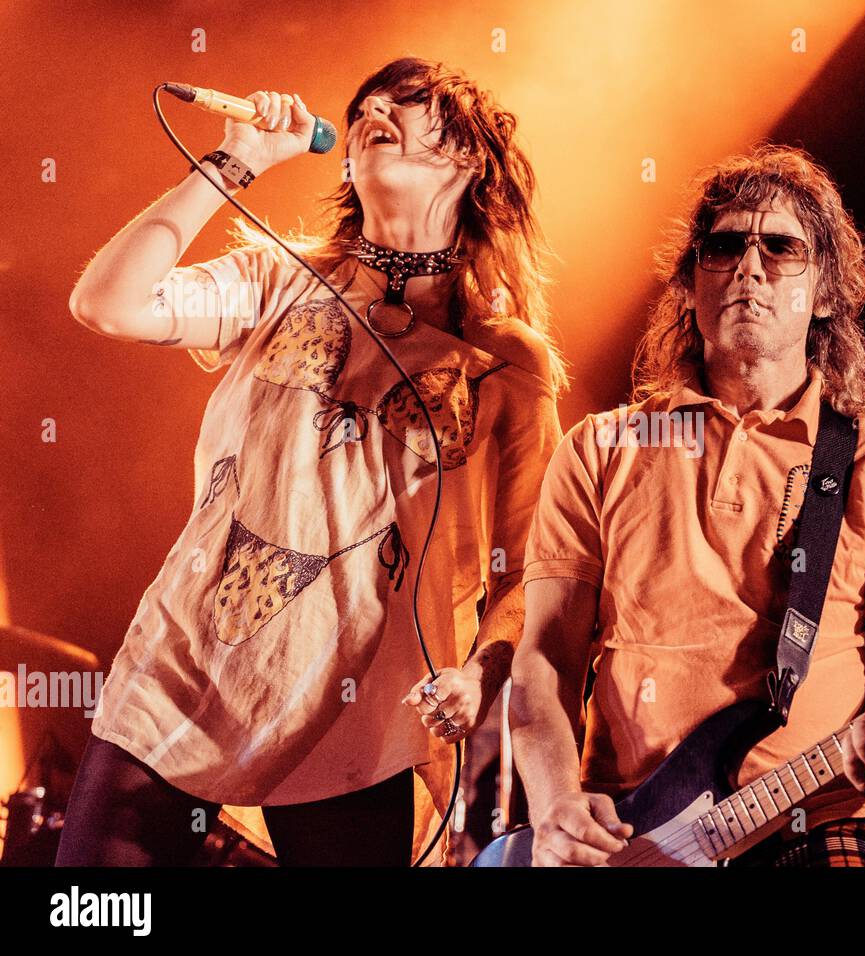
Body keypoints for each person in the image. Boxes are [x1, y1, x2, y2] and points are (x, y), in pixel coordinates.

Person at [60, 57, 564, 866]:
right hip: (175, 686)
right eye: (367, 104)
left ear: (469, 160)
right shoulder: (281, 279)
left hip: (352, 719)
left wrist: (481, 676)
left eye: (410, 104)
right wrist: (238, 163)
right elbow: (106, 304)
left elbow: (528, 569)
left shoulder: (502, 361)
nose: (376, 109)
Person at [509, 144, 865, 867]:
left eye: (781, 248)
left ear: (829, 294)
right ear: (687, 285)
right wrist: (554, 805)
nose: (750, 268)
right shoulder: (598, 448)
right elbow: (544, 663)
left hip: (817, 826)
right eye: (723, 247)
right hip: (628, 833)